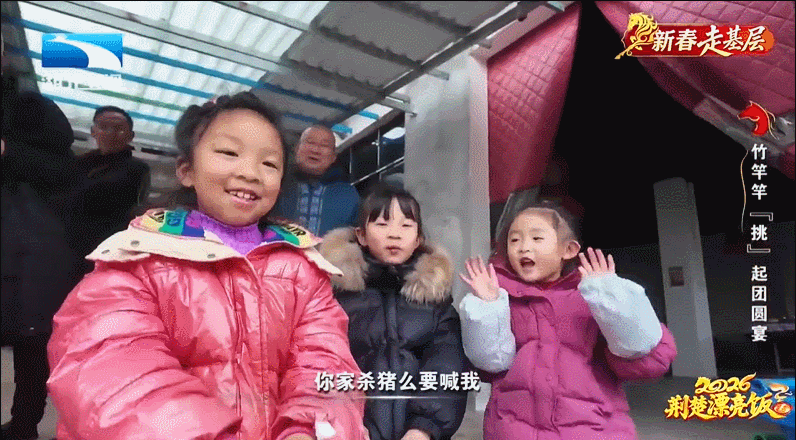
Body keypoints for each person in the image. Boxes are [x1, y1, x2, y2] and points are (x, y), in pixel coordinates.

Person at [46, 92, 368, 440]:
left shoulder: (303, 268)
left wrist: (310, 429)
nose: (250, 173)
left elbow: (327, 361)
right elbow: (110, 368)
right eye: (229, 153)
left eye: (269, 164)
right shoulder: (135, 258)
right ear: (186, 170)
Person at [459, 201, 677, 439]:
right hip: (514, 430)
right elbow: (489, 364)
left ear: (569, 250)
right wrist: (487, 306)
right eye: (514, 240)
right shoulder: (503, 299)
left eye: (536, 238)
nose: (523, 247)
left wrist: (615, 300)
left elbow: (650, 361)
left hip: (592, 430)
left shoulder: (593, 297)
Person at [318, 184, 469, 440]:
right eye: (382, 224)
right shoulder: (335, 297)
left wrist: (423, 429)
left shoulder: (436, 304)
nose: (395, 235)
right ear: (361, 235)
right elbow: (322, 365)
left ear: (418, 239)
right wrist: (343, 423)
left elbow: (447, 368)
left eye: (406, 225)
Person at [2, 58, 84, 440]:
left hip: (32, 261)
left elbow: (63, 175)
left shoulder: (32, 109)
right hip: (31, 257)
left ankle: (23, 426)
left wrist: (9, 151)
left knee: (32, 348)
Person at [72, 106, 150, 270]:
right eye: (103, 127)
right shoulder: (80, 162)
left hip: (106, 245)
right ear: (93, 131)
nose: (110, 133)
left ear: (130, 136)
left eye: (119, 129)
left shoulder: (137, 169)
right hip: (68, 240)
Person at [274, 125, 360, 237]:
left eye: (324, 145)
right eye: (310, 142)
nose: (315, 150)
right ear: (297, 149)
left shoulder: (348, 194)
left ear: (333, 156)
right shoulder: (277, 183)